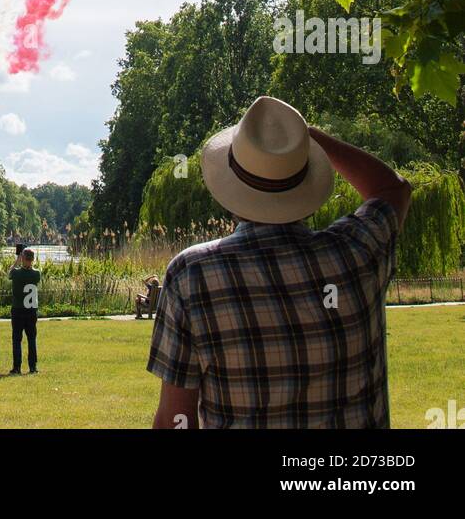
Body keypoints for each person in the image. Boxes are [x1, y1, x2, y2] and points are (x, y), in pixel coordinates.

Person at [148, 95, 412, 429]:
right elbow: (393, 188)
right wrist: (305, 136)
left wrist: (286, 141)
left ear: (232, 188)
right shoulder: (358, 252)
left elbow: (177, 420)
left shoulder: (193, 275)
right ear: (306, 180)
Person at [9, 247, 41, 375]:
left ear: (23, 259)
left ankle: (17, 367)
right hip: (31, 310)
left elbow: (9, 273)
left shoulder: (16, 273)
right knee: (32, 339)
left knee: (17, 339)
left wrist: (16, 261)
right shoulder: (36, 274)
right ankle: (32, 367)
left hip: (18, 310)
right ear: (33, 259)